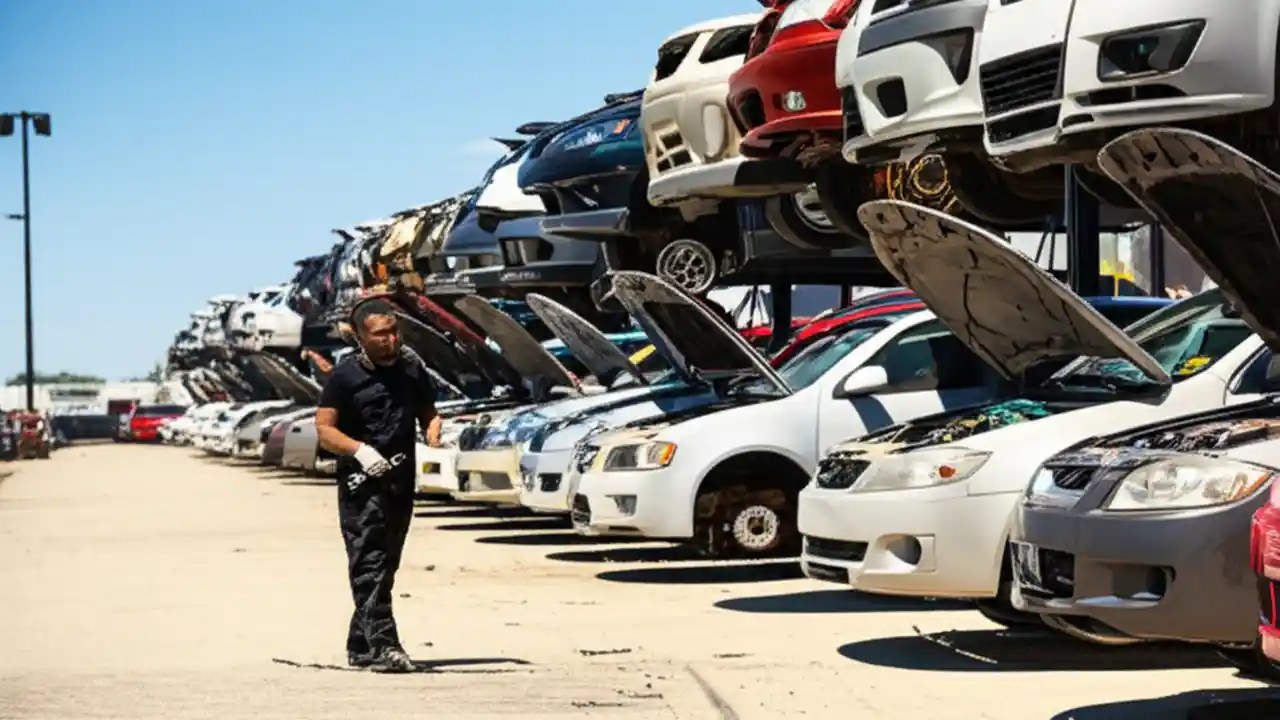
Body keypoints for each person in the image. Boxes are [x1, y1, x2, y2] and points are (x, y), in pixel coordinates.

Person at [314, 297, 443, 672]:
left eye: (393, 331)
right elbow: (324, 430)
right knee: (368, 563)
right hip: (361, 484)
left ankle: (360, 645)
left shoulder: (411, 368)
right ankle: (386, 645)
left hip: (400, 482)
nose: (389, 340)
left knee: (386, 564)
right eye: (379, 334)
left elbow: (428, 411)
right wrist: (359, 451)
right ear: (359, 338)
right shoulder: (345, 376)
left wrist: (434, 434)